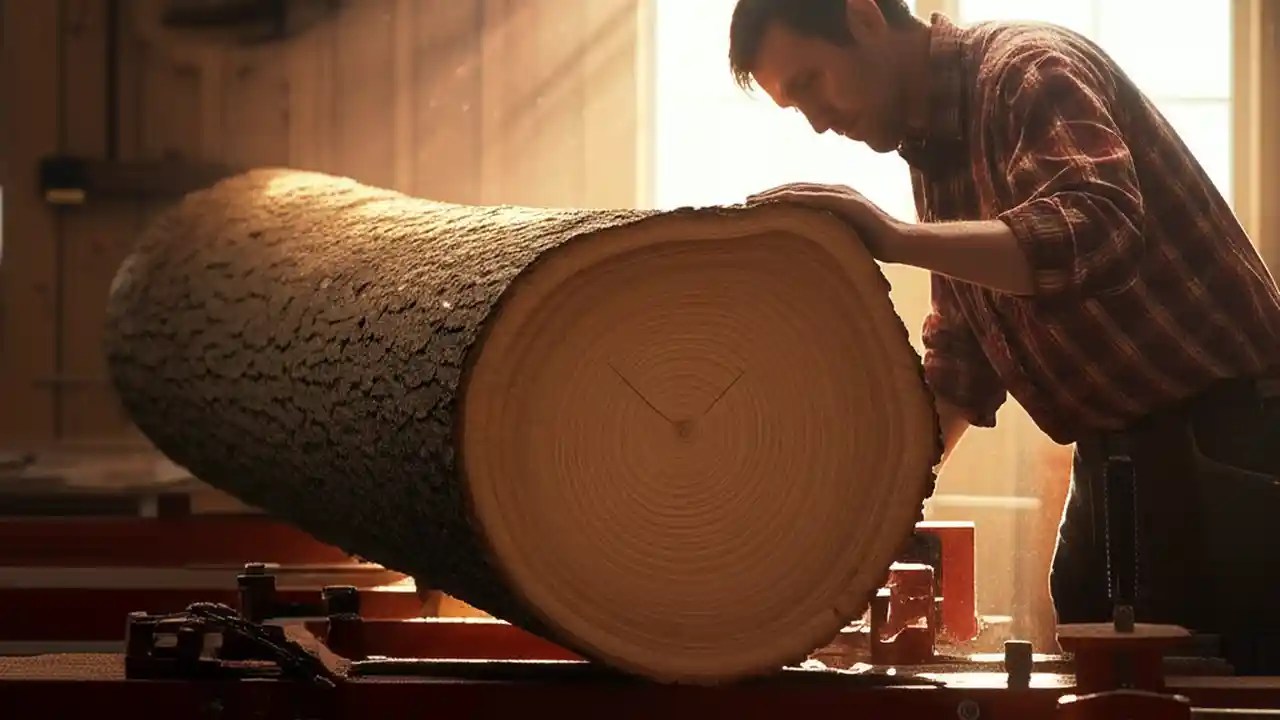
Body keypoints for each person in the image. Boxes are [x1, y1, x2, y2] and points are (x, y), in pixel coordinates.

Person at [727, 0, 1280, 674]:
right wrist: (881, 496)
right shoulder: (934, 148)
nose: (817, 122)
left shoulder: (1028, 70)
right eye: (796, 106)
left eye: (811, 82)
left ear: (865, 17)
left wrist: (896, 239)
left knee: (1235, 680)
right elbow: (963, 358)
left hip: (1231, 432)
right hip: (1116, 447)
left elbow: (1098, 225)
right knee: (1090, 644)